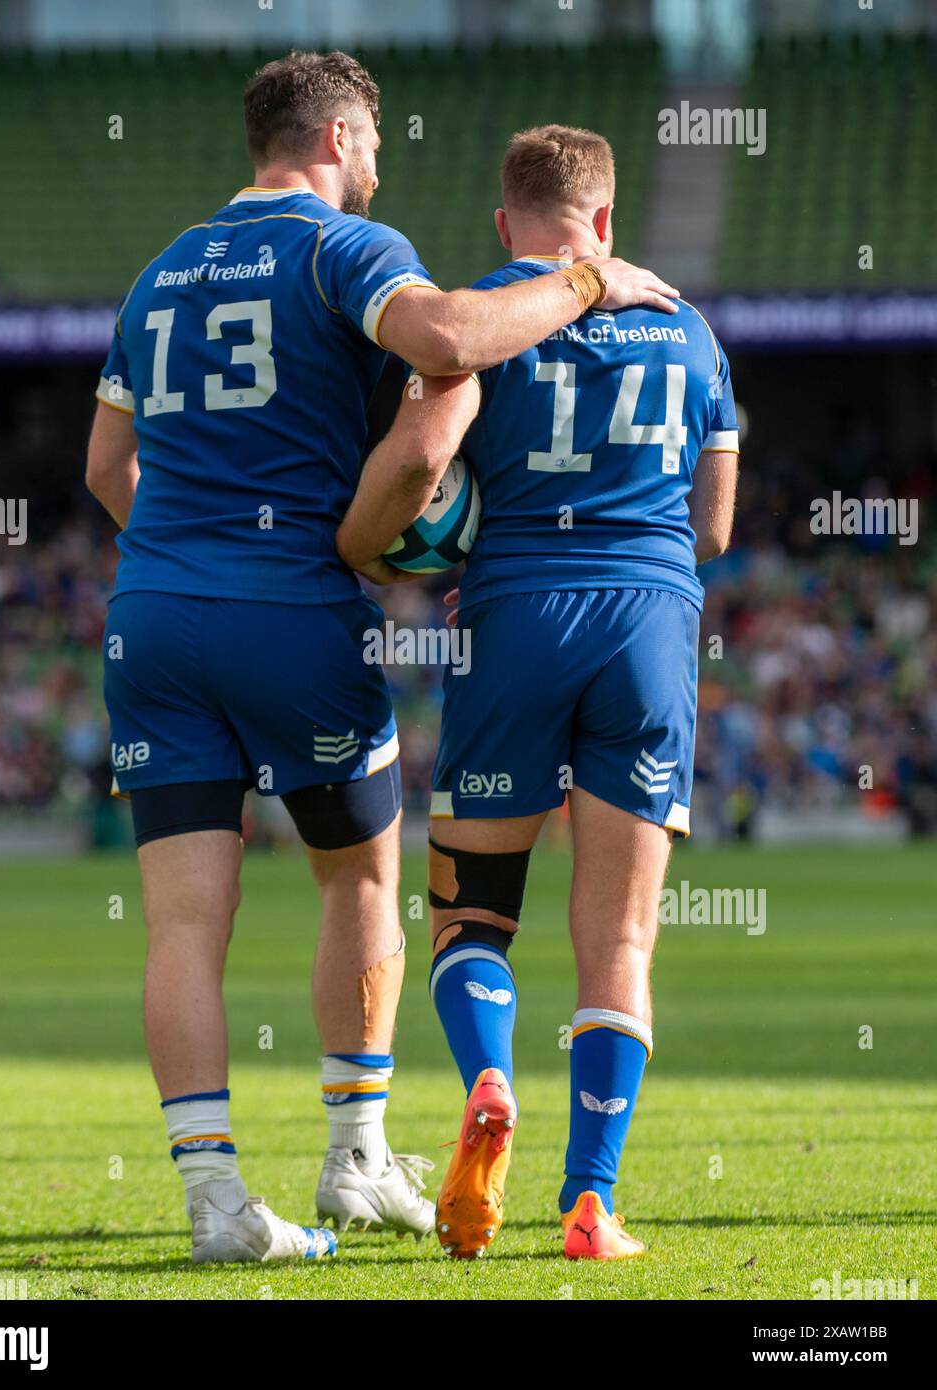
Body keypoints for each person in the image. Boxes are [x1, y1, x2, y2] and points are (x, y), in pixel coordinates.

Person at [85, 50, 681, 1265]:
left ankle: (213, 1204)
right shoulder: (341, 248)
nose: (379, 163)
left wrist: (188, 558)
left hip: (151, 612)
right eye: (374, 143)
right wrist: (584, 278)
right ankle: (355, 1157)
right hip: (293, 611)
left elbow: (105, 472)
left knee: (181, 924)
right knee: (357, 882)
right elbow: (454, 337)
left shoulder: (156, 277)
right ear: (343, 135)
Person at [337, 124, 738, 1260]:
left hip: (512, 617)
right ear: (603, 220)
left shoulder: (485, 317)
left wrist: (401, 544)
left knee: (472, 919)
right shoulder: (690, 333)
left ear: (506, 223)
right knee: (618, 941)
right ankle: (589, 1204)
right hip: (649, 625)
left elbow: (424, 461)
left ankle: (488, 1086)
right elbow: (711, 525)